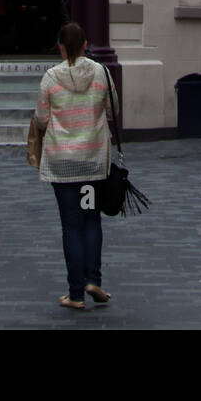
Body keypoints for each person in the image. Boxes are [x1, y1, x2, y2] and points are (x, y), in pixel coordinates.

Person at [33, 22, 119, 310]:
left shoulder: (49, 78)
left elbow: (42, 120)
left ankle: (76, 293)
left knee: (71, 225)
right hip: (92, 162)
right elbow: (113, 110)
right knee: (91, 219)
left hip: (62, 163)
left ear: (60, 46)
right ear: (85, 44)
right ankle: (93, 279)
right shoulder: (101, 73)